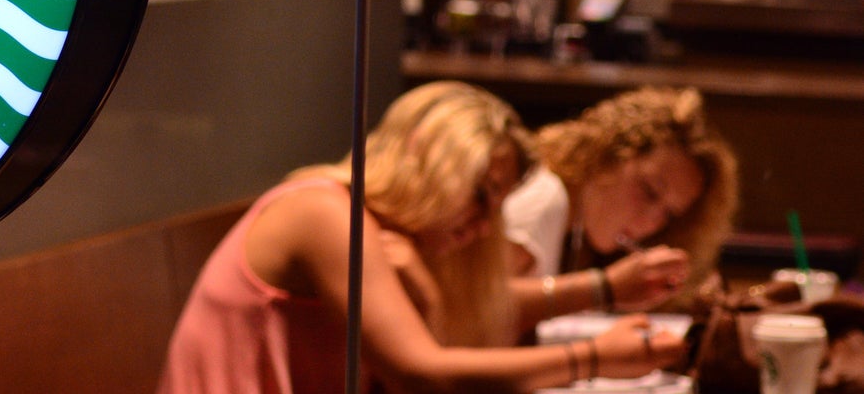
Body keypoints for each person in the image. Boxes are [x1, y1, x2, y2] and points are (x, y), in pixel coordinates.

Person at [159, 81, 683, 394]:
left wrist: (429, 298)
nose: (482, 226)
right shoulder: (324, 213)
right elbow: (422, 373)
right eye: (480, 194)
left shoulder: (385, 238)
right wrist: (593, 358)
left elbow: (450, 339)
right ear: (424, 153)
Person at [503, 86, 740, 330]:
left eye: (668, 214)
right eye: (649, 192)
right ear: (609, 155)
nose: (650, 222)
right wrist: (606, 287)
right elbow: (485, 307)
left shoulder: (573, 230)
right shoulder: (543, 194)